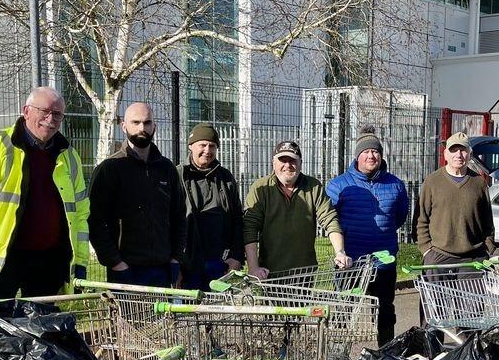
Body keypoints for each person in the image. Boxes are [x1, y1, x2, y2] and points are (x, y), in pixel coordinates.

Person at [0, 87, 89, 298]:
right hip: (4, 260)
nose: (50, 119)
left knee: (42, 318)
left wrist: (80, 260)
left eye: (57, 114)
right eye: (44, 111)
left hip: (48, 262)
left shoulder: (69, 156)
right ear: (26, 111)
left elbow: (80, 213)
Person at [88, 102, 186, 287]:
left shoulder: (167, 169)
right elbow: (95, 220)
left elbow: (179, 216)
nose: (142, 128)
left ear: (154, 126)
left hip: (163, 269)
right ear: (123, 126)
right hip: (125, 269)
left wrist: (176, 258)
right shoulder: (109, 169)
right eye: (136, 122)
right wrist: (115, 262)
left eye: (147, 123)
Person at [326, 126, 409, 346]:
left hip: (383, 262)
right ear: (357, 155)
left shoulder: (395, 185)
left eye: (376, 151)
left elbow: (399, 217)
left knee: (385, 311)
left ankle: (386, 354)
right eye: (366, 151)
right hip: (350, 263)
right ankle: (339, 355)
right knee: (344, 311)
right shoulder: (339, 185)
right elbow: (329, 219)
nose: (371, 156)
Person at [243, 140, 351, 277]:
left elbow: (330, 219)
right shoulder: (260, 188)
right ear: (273, 163)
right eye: (282, 160)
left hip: (304, 274)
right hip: (269, 273)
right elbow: (250, 228)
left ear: (300, 163)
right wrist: (253, 268)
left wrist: (340, 252)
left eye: (292, 160)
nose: (288, 165)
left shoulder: (313, 187)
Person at [415, 131, 495, 268]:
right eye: (453, 150)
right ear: (446, 154)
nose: (458, 154)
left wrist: (487, 247)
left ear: (470, 154)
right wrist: (426, 250)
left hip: (473, 257)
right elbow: (420, 219)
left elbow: (487, 220)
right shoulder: (432, 181)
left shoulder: (479, 183)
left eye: (463, 150)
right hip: (438, 256)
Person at [179, 123, 243, 290]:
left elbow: (238, 219)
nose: (207, 150)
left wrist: (237, 257)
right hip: (187, 263)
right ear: (191, 146)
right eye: (203, 145)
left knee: (218, 306)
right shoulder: (178, 175)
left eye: (212, 146)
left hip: (220, 263)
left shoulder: (226, 178)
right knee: (188, 306)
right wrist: (174, 263)